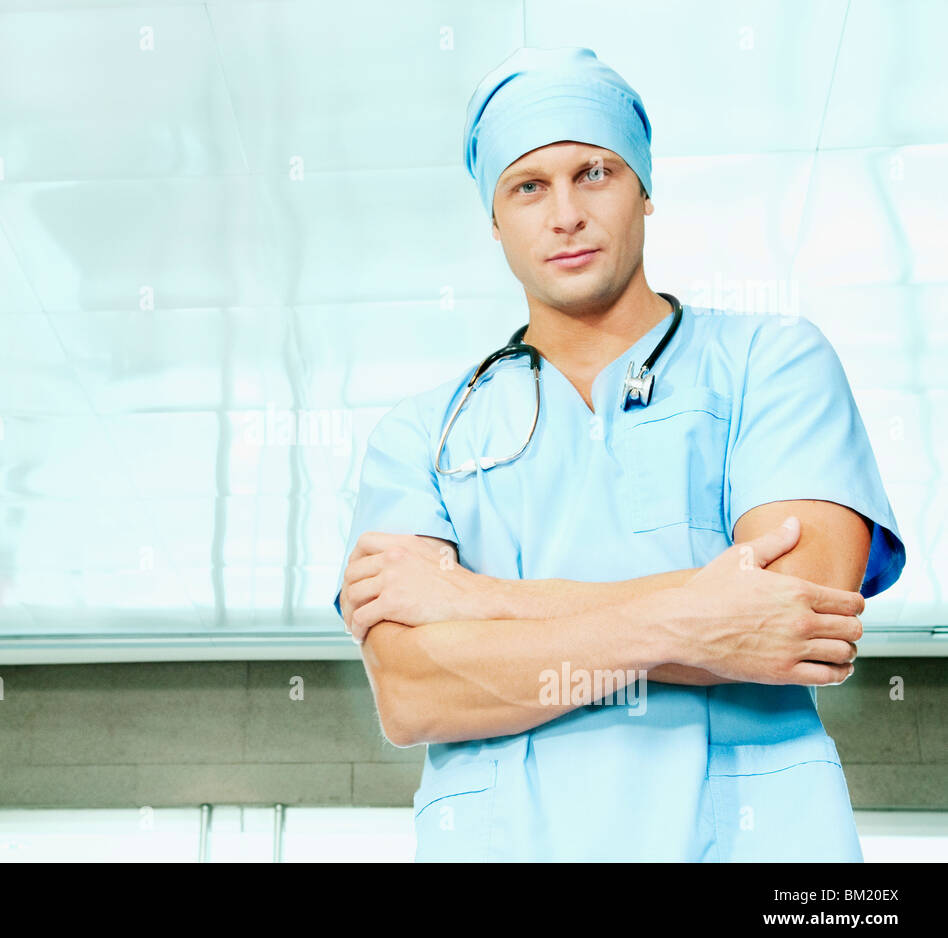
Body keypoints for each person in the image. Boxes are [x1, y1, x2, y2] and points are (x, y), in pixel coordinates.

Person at [332, 46, 906, 862]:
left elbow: (793, 615)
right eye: (528, 187)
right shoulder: (423, 435)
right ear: (495, 220)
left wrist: (469, 597)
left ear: (644, 188)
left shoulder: (772, 364)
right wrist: (697, 620)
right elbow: (411, 690)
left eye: (594, 172)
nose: (564, 213)